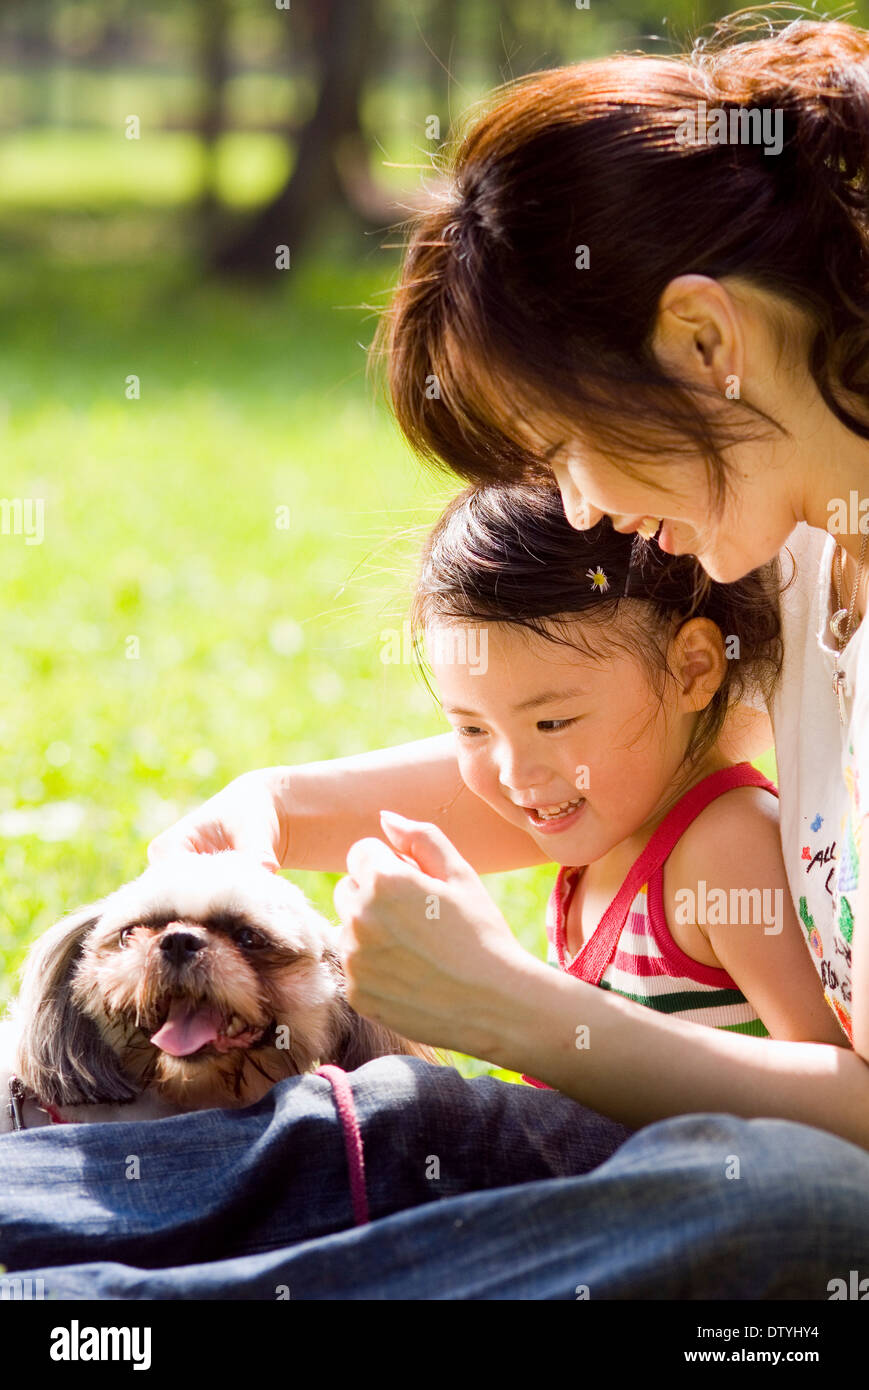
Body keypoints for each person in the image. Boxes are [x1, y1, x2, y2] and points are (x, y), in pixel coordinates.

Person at [4, 13, 869, 1300]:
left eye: (569, 442)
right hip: (647, 1148)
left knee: (802, 1204)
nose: (576, 507)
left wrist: (524, 1013)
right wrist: (280, 807)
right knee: (380, 1113)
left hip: (800, 1186)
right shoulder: (793, 560)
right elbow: (616, 757)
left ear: (704, 343)